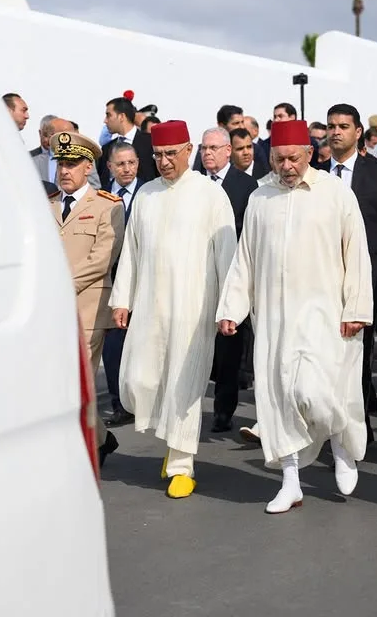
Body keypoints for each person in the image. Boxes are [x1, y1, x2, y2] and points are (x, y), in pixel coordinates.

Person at [216, 120, 372, 514]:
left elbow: (356, 254)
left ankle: (341, 446)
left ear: (309, 154)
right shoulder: (260, 198)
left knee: (319, 394)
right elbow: (244, 258)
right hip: (274, 318)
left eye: (293, 158)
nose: (287, 166)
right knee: (280, 398)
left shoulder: (334, 193)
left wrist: (356, 308)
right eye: (279, 159)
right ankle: (291, 482)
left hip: (325, 314)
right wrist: (232, 308)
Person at [108, 120, 236, 499]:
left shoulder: (210, 195)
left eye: (171, 154)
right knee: (140, 379)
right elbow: (131, 251)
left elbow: (227, 255)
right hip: (149, 305)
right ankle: (171, 446)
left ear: (189, 150)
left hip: (193, 308)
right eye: (158, 155)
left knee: (183, 386)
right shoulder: (145, 194)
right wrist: (123, 299)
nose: (164, 162)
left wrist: (229, 306)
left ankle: (182, 465)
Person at [317, 104, 377, 436]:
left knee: (359, 356)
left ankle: (357, 428)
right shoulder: (314, 174)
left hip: (367, 280)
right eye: (331, 125)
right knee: (327, 357)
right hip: (322, 280)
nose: (336, 131)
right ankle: (332, 426)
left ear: (358, 132)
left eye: (343, 126)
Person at [49, 129, 125, 465]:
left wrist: (61, 286)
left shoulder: (107, 205)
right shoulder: (47, 206)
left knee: (78, 381)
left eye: (72, 163)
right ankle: (100, 438)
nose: (64, 170)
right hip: (51, 311)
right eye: (60, 163)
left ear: (87, 167)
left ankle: (83, 448)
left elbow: (102, 258)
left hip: (89, 306)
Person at [198, 127, 259, 433]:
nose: (207, 153)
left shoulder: (246, 185)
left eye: (213, 148)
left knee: (228, 346)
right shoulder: (194, 183)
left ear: (227, 151)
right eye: (203, 148)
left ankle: (224, 408)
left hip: (233, 273)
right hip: (198, 274)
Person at [101, 143, 145, 427]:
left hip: (144, 280)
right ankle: (120, 404)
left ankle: (146, 401)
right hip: (114, 281)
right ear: (110, 167)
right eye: (121, 164)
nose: (127, 169)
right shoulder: (102, 198)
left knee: (144, 345)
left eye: (131, 163)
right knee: (114, 347)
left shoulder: (151, 193)